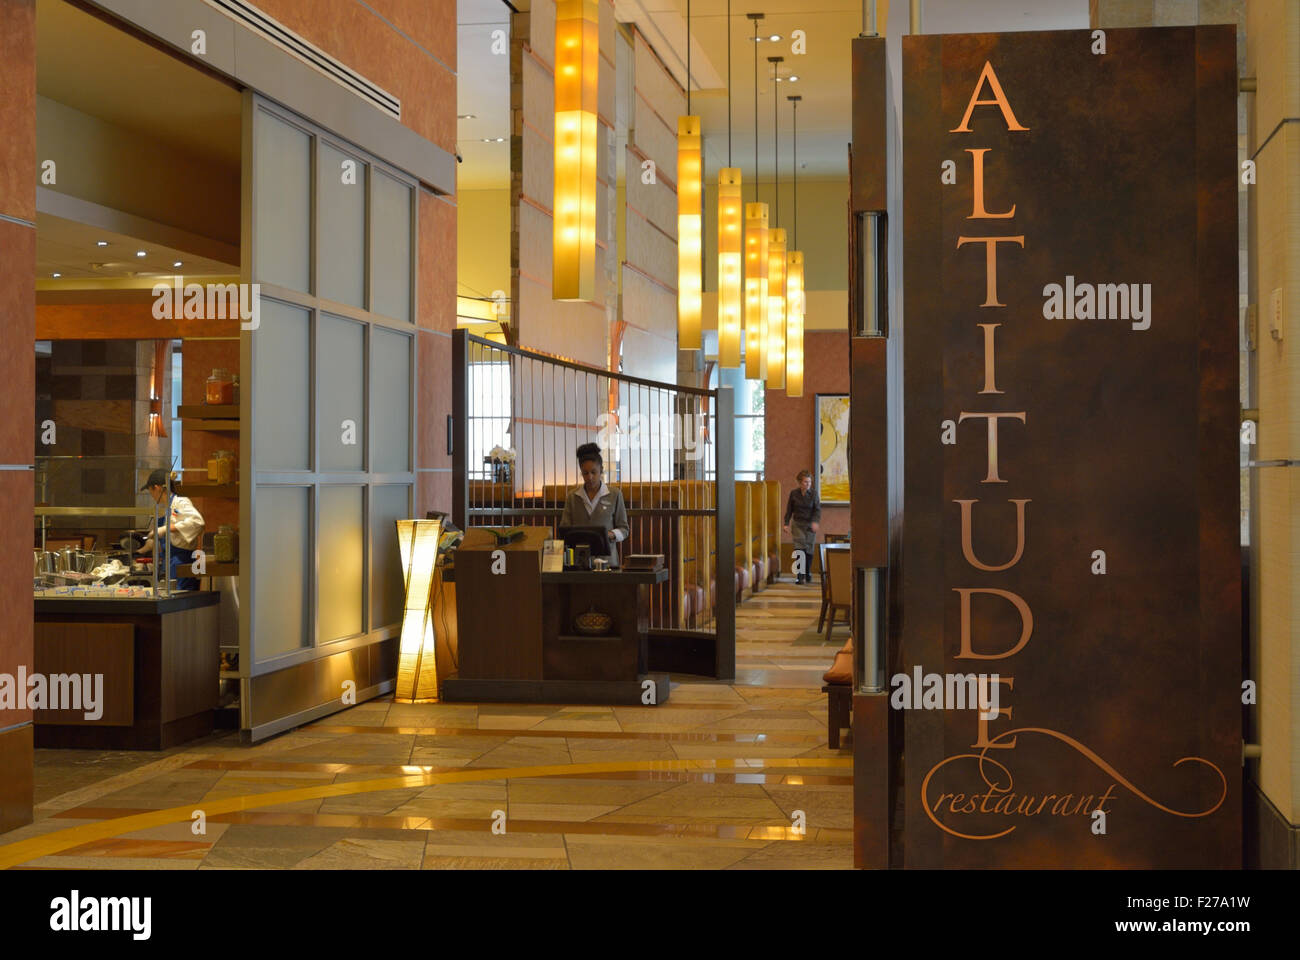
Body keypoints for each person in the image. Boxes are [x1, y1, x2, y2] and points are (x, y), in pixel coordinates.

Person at [558, 442, 629, 565]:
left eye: (593, 472)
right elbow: (564, 530)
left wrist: (611, 535)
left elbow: (624, 529)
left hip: (608, 562)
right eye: (585, 473)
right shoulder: (573, 497)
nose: (589, 477)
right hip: (579, 562)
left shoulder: (615, 494)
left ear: (601, 470)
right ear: (581, 472)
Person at [138, 468, 205, 591]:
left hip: (181, 562)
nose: (151, 495)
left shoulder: (181, 502)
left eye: (150, 491)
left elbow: (198, 522)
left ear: (157, 488)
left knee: (180, 600)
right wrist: (151, 544)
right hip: (169, 562)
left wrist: (165, 529)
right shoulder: (168, 507)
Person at [782, 468, 821, 584]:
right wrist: (786, 523)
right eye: (805, 482)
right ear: (799, 482)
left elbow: (817, 510)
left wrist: (815, 522)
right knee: (800, 549)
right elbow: (789, 510)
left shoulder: (814, 494)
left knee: (809, 549)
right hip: (798, 524)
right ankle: (800, 575)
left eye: (809, 482)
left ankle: (807, 572)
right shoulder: (794, 494)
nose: (808, 484)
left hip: (810, 525)